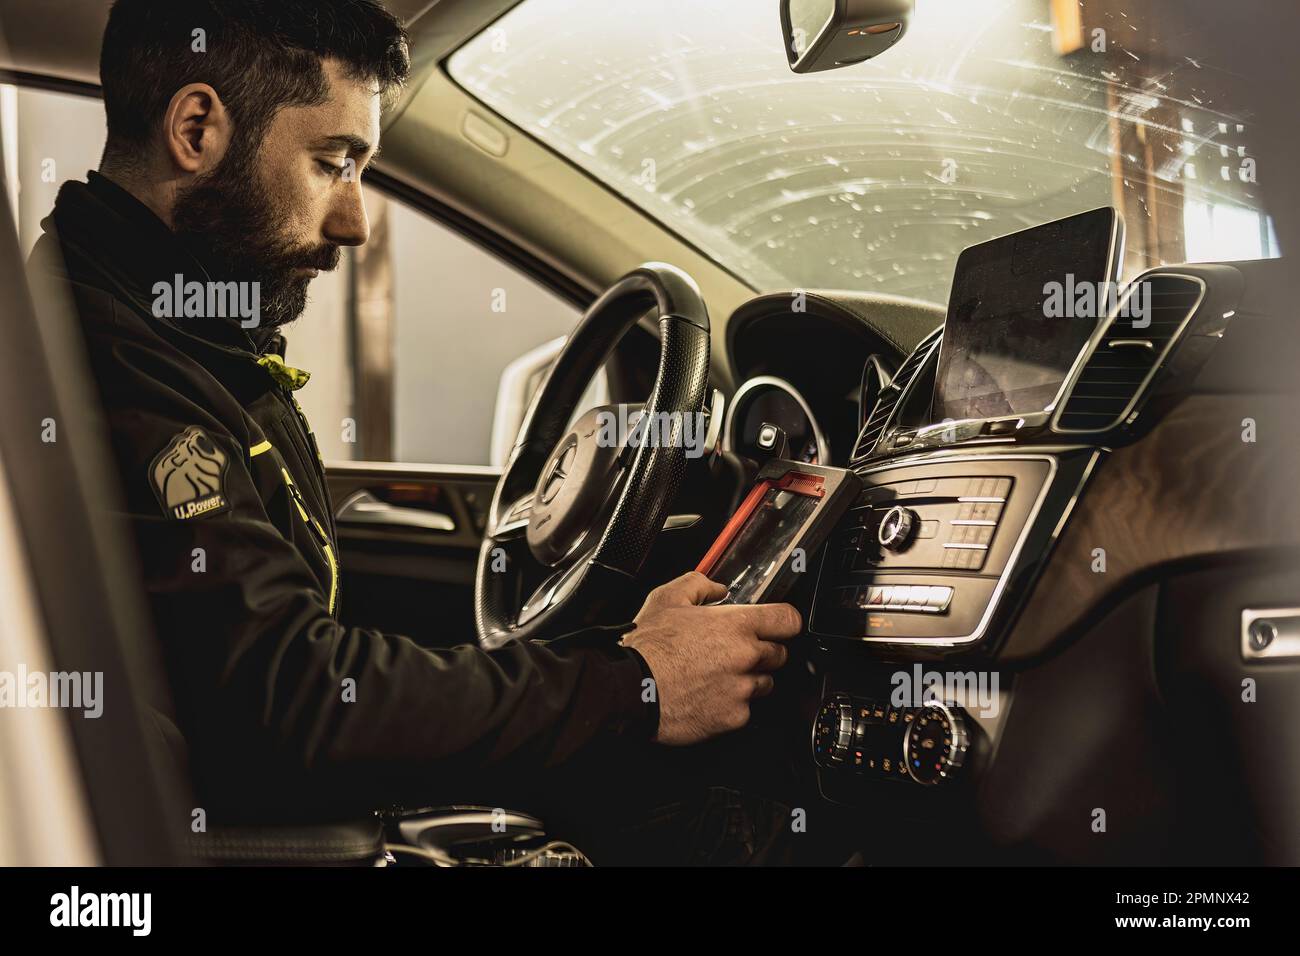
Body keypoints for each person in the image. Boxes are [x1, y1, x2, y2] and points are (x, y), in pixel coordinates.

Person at [27, 0, 803, 861]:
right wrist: (636, 691)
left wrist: (624, 658)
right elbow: (289, 697)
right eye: (334, 163)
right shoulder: (95, 357)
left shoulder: (181, 331)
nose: (354, 222)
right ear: (198, 127)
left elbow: (281, 652)